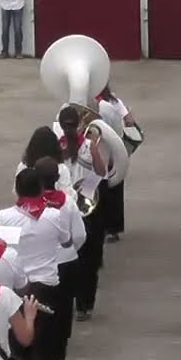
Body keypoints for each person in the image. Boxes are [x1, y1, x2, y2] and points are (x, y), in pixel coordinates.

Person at [0, 169, 70, 360]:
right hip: (47, 287)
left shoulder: (4, 217)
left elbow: (1, 248)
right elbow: (67, 240)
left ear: (17, 190)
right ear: (41, 190)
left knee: (17, 345)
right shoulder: (53, 214)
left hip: (18, 288)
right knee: (43, 352)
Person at [52, 107, 109, 322]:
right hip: (89, 204)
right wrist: (94, 145)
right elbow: (102, 172)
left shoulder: (57, 147)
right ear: (78, 125)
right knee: (89, 258)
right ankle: (85, 305)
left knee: (67, 254)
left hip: (64, 206)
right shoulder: (88, 146)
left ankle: (69, 298)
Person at [33, 157, 85, 360]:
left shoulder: (29, 204)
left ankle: (37, 353)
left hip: (37, 265)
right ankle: (58, 358)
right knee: (63, 311)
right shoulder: (68, 201)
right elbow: (80, 234)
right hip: (65, 262)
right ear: (57, 178)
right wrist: (71, 250)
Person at [95, 83, 135, 242]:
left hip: (106, 150)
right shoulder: (114, 101)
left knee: (104, 187)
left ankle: (106, 227)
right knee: (112, 187)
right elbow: (129, 120)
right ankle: (112, 227)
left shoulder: (104, 105)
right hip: (112, 149)